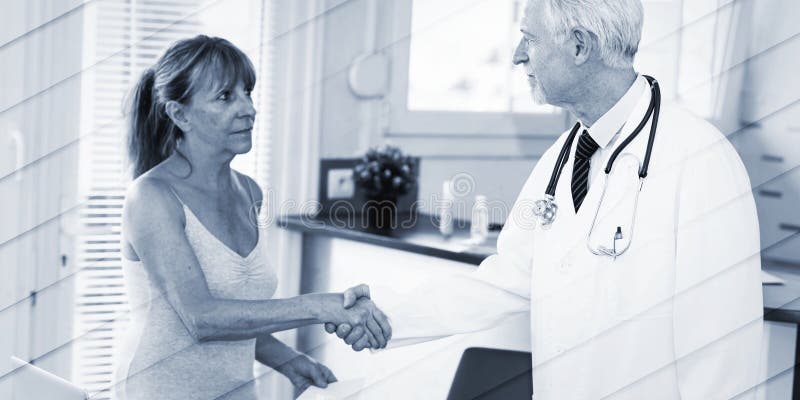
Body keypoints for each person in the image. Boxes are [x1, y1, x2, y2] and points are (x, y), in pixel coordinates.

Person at [326, 0, 764, 398]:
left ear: (579, 46)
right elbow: (504, 282)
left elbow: (724, 351)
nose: (518, 55)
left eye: (530, 39)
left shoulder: (699, 158)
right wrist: (387, 316)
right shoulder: (564, 156)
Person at [116, 35, 391, 400]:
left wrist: (289, 361)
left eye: (247, 92)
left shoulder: (249, 192)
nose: (248, 108)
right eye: (226, 96)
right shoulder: (151, 197)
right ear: (180, 115)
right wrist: (319, 305)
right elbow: (201, 318)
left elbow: (239, 310)